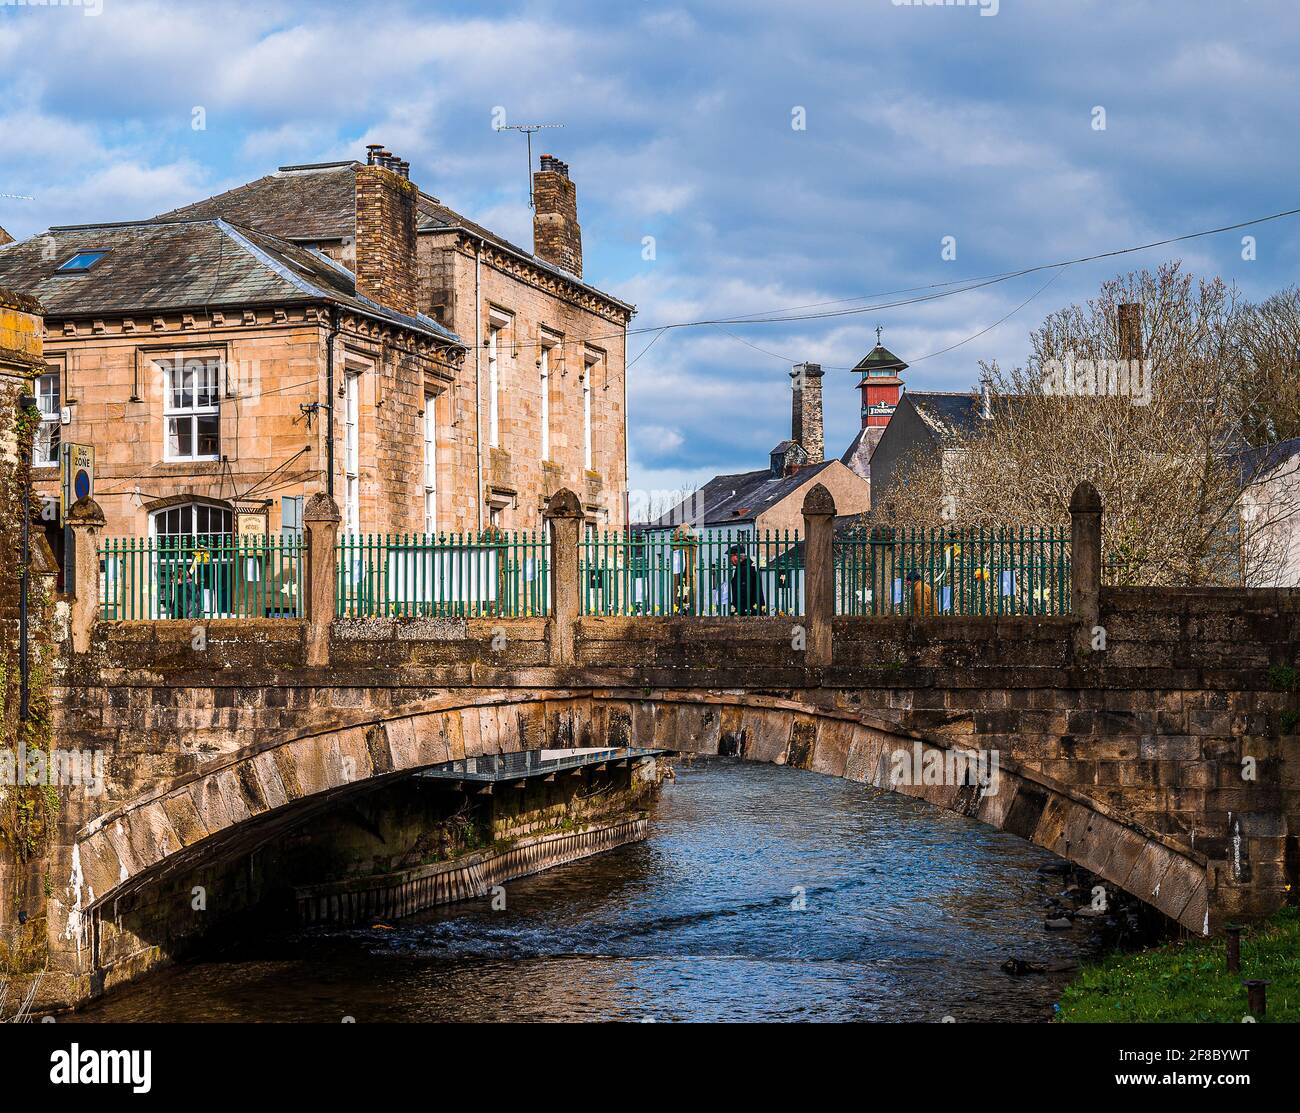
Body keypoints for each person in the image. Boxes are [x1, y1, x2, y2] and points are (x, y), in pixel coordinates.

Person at [727, 544, 767, 615]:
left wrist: (740, 610)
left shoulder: (745, 568)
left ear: (737, 556)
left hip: (749, 611)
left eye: (731, 556)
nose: (730, 559)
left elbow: (744, 591)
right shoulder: (744, 567)